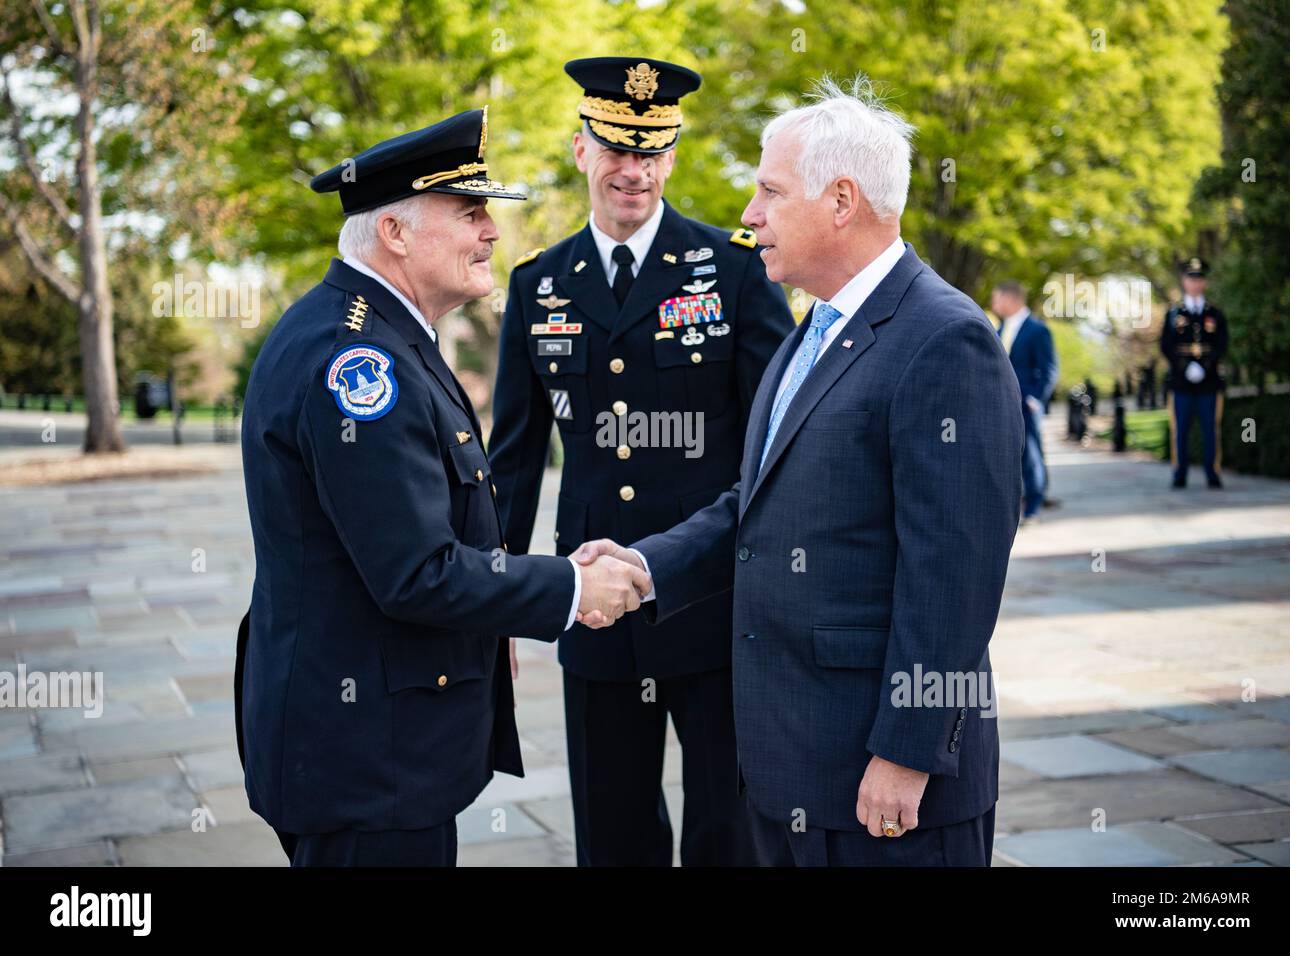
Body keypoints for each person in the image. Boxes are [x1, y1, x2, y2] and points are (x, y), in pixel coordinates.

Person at [574, 77, 1023, 866]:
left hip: (881, 789)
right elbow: (759, 504)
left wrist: (909, 753)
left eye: (770, 192)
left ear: (841, 201)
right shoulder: (814, 329)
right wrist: (646, 565)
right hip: (794, 773)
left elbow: (956, 573)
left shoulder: (943, 339)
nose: (749, 215)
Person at [235, 108, 649, 867]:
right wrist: (568, 588)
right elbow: (416, 571)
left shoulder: (377, 333)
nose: (491, 231)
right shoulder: (361, 365)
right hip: (369, 763)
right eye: (469, 212)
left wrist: (505, 605)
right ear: (394, 233)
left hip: (373, 749)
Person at [489, 57, 791, 866]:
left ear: (673, 157)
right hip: (593, 604)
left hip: (715, 597)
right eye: (617, 149)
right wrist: (500, 604)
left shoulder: (735, 267)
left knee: (730, 832)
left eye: (652, 151)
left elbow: (778, 440)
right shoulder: (538, 284)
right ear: (582, 151)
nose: (635, 171)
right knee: (612, 829)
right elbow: (513, 460)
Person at [990, 281, 1058, 524]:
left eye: (997, 299)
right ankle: (1013, 505)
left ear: (1011, 299)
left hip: (1025, 403)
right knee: (1005, 456)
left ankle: (1033, 507)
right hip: (1000, 403)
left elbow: (1049, 369)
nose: (994, 304)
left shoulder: (1037, 330)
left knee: (1030, 455)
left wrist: (1035, 399)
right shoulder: (998, 329)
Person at [1161, 257, 1228, 488]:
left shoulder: (1215, 314)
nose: (1195, 282)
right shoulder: (1173, 313)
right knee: (1180, 431)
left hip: (1209, 383)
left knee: (1211, 430)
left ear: (1204, 282)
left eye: (1199, 278)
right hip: (1181, 383)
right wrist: (1185, 367)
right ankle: (1180, 474)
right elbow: (1166, 346)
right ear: (1183, 281)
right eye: (1191, 278)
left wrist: (1205, 366)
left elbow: (1221, 344)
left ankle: (1213, 473)